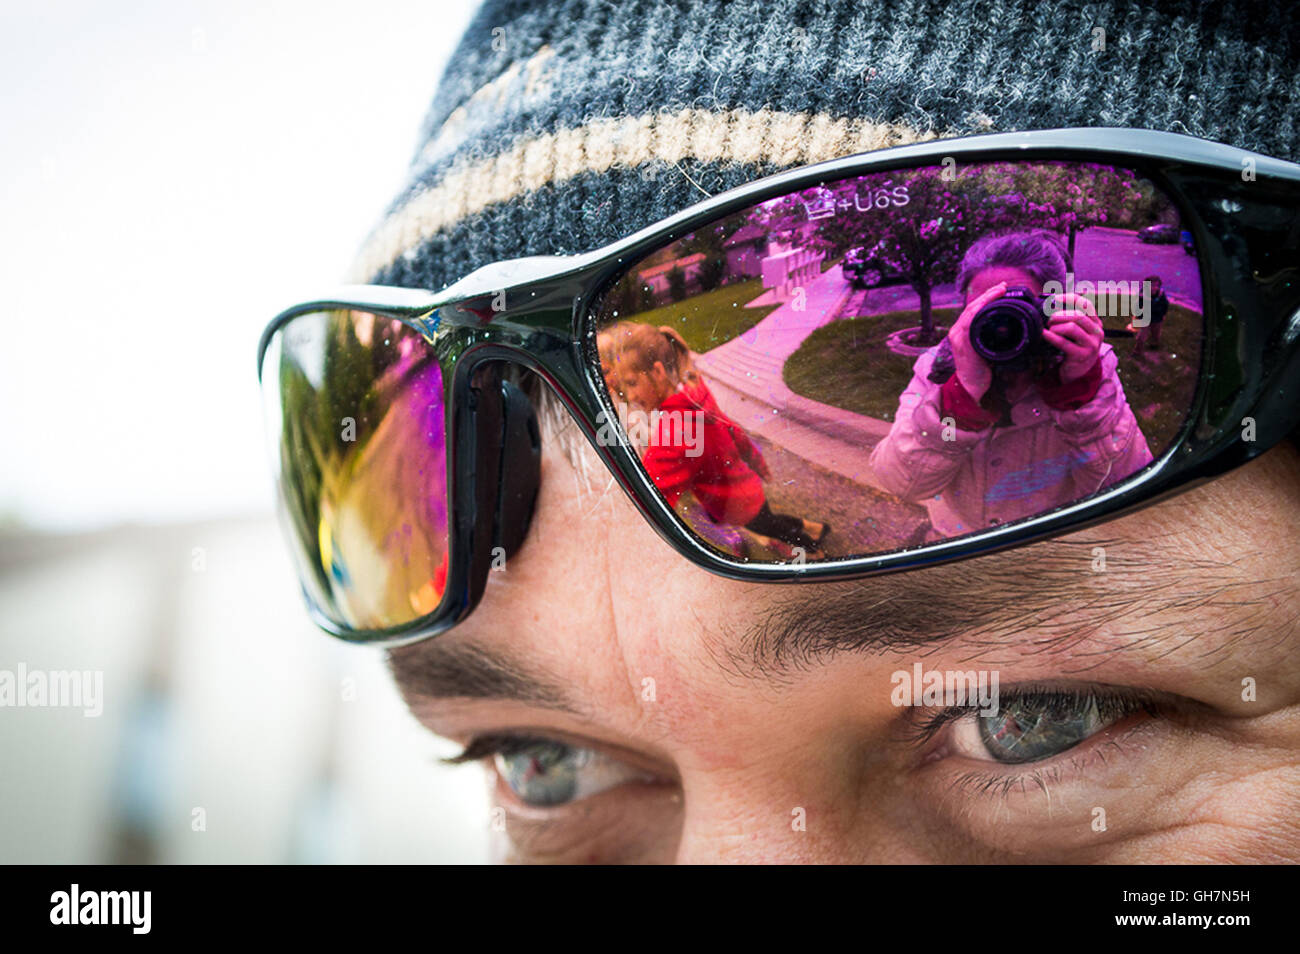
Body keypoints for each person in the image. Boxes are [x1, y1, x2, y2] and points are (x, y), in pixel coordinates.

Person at [337, 0, 1300, 863]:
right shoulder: (938, 375)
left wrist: (1086, 390)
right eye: (548, 764)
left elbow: (1123, 463)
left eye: (1037, 718)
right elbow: (899, 469)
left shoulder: (1095, 380)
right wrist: (959, 394)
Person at [868, 231, 1153, 539]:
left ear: (1057, 310)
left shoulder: (1086, 369)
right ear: (964, 313)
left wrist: (1080, 395)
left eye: (1022, 310)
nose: (1003, 326)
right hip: (958, 547)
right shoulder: (939, 368)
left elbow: (1129, 494)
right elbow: (902, 483)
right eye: (986, 311)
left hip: (1052, 557)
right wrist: (961, 395)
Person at [601, 321, 830, 557]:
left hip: (737, 504)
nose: (631, 395)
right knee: (770, 520)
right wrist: (756, 461)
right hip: (745, 485)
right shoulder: (695, 393)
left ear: (658, 372)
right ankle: (814, 528)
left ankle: (814, 551)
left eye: (631, 383)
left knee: (772, 526)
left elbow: (646, 499)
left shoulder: (676, 432)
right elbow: (732, 429)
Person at [1133, 274, 1170, 356]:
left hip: (1157, 319)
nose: (1154, 288)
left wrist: (1163, 314)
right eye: (1151, 285)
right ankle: (1137, 351)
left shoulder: (1160, 295)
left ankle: (1154, 345)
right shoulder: (1142, 294)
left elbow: (1165, 306)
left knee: (1156, 334)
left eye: (1156, 286)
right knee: (1141, 337)